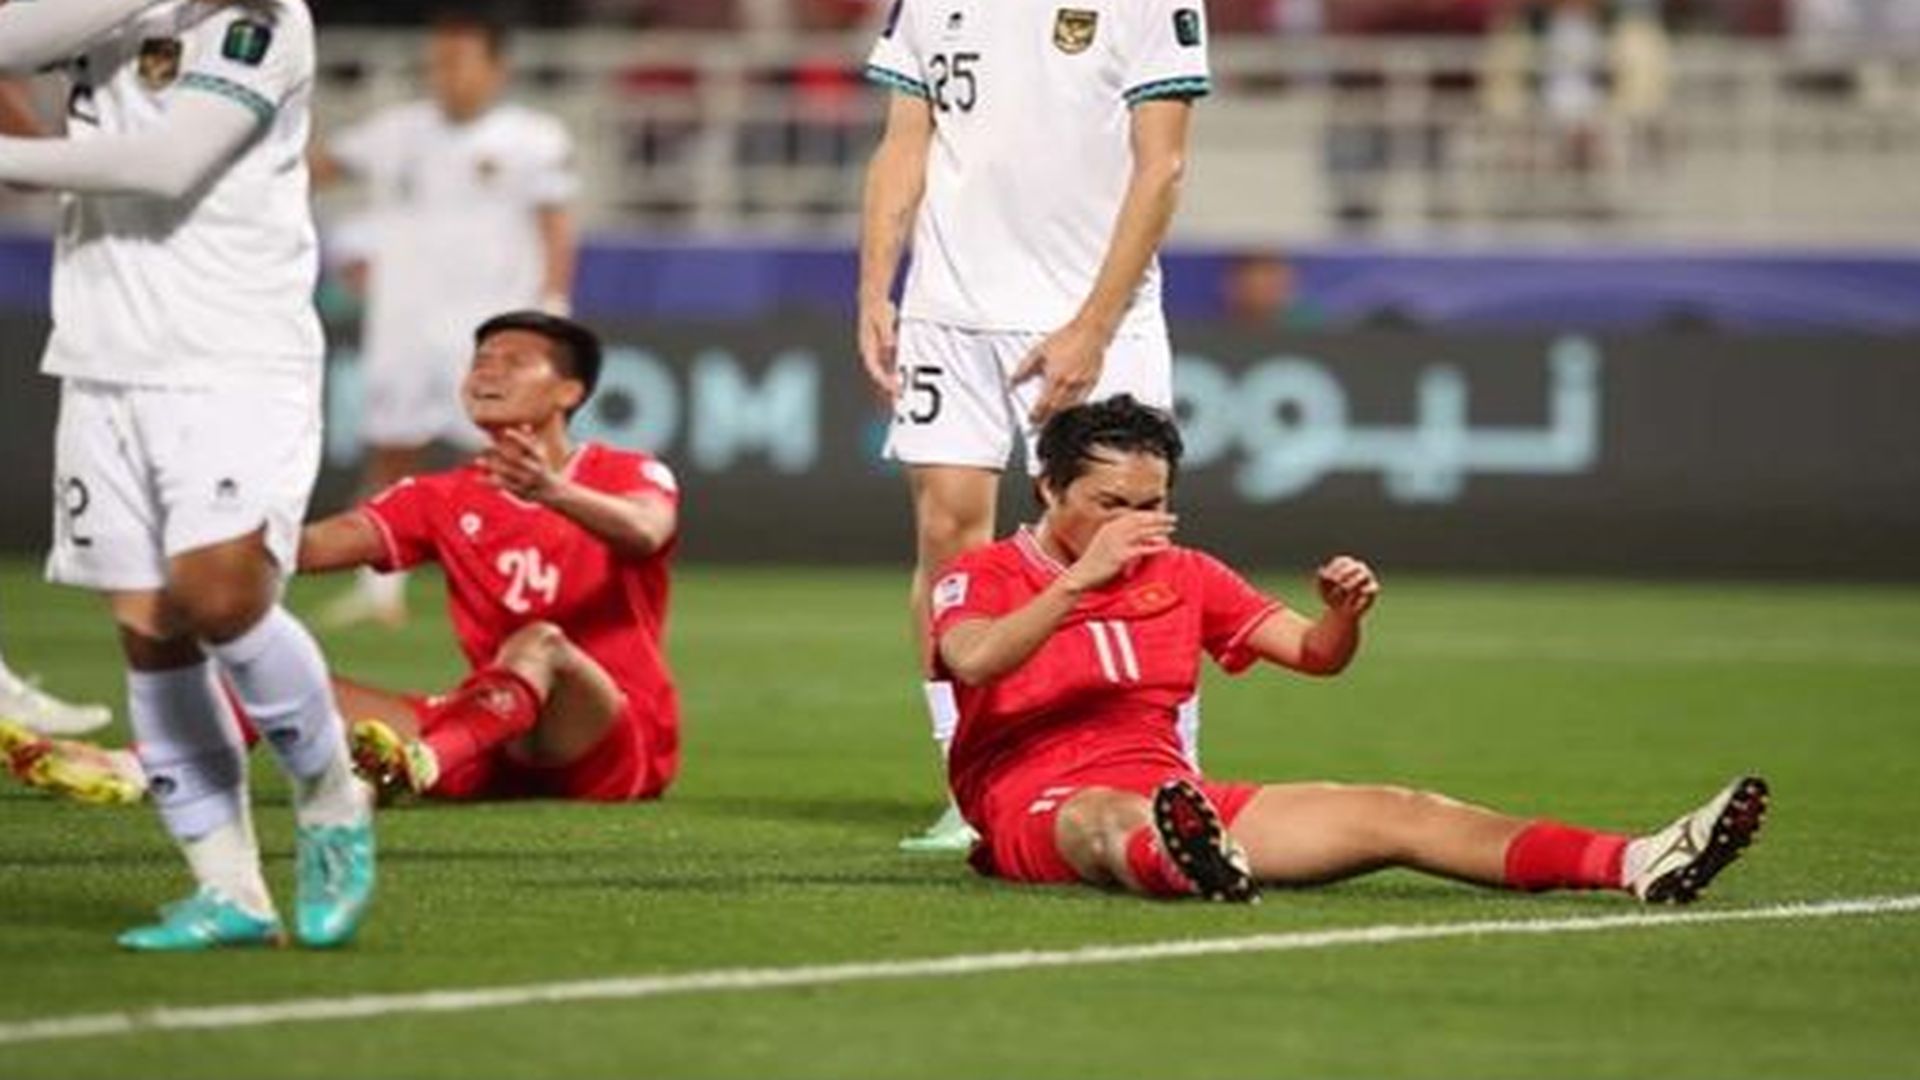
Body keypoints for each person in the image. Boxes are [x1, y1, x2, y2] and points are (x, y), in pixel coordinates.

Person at [930, 395, 1768, 903]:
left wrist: (1343, 616)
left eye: (1152, 506)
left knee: (1399, 811)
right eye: (1111, 504)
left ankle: (1640, 860)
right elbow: (972, 660)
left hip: (1180, 797)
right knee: (1107, 820)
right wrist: (1080, 582)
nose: (1135, 524)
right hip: (1035, 803)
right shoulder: (985, 573)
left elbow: (1314, 654)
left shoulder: (1186, 572)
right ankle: (1190, 863)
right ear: (1047, 487)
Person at [0, 0, 375, 950]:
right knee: (151, 632)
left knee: (220, 597)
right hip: (101, 357)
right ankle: (229, 890)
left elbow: (165, 165)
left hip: (231, 354)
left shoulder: (262, 21)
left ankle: (332, 794)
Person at [4, 312, 683, 807]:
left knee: (542, 642)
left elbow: (646, 532)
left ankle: (421, 764)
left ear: (569, 392)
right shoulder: (439, 496)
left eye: (513, 360)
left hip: (612, 738)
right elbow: (305, 548)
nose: (487, 370)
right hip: (491, 730)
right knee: (254, 671)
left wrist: (554, 493)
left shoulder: (627, 472)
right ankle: (132, 769)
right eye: (480, 359)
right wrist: (199, 519)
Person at [858, 0, 1215, 851]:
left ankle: (1171, 767)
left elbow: (1161, 168)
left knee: (1125, 537)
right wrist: (876, 288)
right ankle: (969, 778)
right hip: (948, 310)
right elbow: (904, 143)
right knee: (946, 534)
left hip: (1091, 312)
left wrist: (1093, 324)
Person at [310, 6, 580, 629]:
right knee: (392, 451)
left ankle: (529, 578)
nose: (446, 74)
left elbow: (556, 224)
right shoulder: (398, 131)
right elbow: (312, 172)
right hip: (404, 324)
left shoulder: (534, 138)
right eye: (438, 61)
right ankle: (379, 591)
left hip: (491, 329)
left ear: (496, 67)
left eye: (459, 60)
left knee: (510, 456)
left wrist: (554, 304)